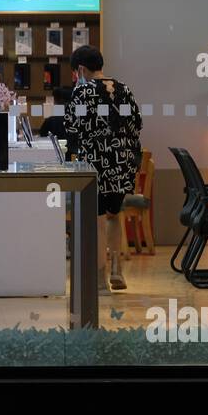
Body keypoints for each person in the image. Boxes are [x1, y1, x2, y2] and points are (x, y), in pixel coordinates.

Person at [63, 46, 143, 292]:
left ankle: (99, 278)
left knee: (97, 220)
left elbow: (72, 127)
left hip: (95, 163)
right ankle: (117, 270)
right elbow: (136, 123)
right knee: (114, 215)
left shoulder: (82, 91)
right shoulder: (123, 88)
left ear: (81, 69)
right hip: (122, 163)